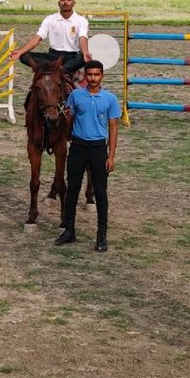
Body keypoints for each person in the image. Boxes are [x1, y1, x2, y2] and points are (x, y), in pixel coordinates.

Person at [56, 60, 121, 251]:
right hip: (78, 147)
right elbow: (69, 118)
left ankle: (101, 237)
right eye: (90, 74)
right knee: (72, 191)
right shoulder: (75, 96)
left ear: (102, 76)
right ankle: (69, 231)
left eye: (96, 74)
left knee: (100, 193)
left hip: (99, 149)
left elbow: (113, 127)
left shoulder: (110, 98)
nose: (93, 78)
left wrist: (111, 155)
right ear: (85, 76)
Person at [8, 0, 91, 76]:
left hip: (72, 57)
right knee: (24, 56)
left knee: (83, 58)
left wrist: (85, 52)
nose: (65, 2)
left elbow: (82, 38)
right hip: (53, 56)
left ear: (73, 3)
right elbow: (38, 38)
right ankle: (58, 69)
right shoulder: (50, 19)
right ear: (59, 3)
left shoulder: (81, 20)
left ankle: (56, 70)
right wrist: (20, 52)